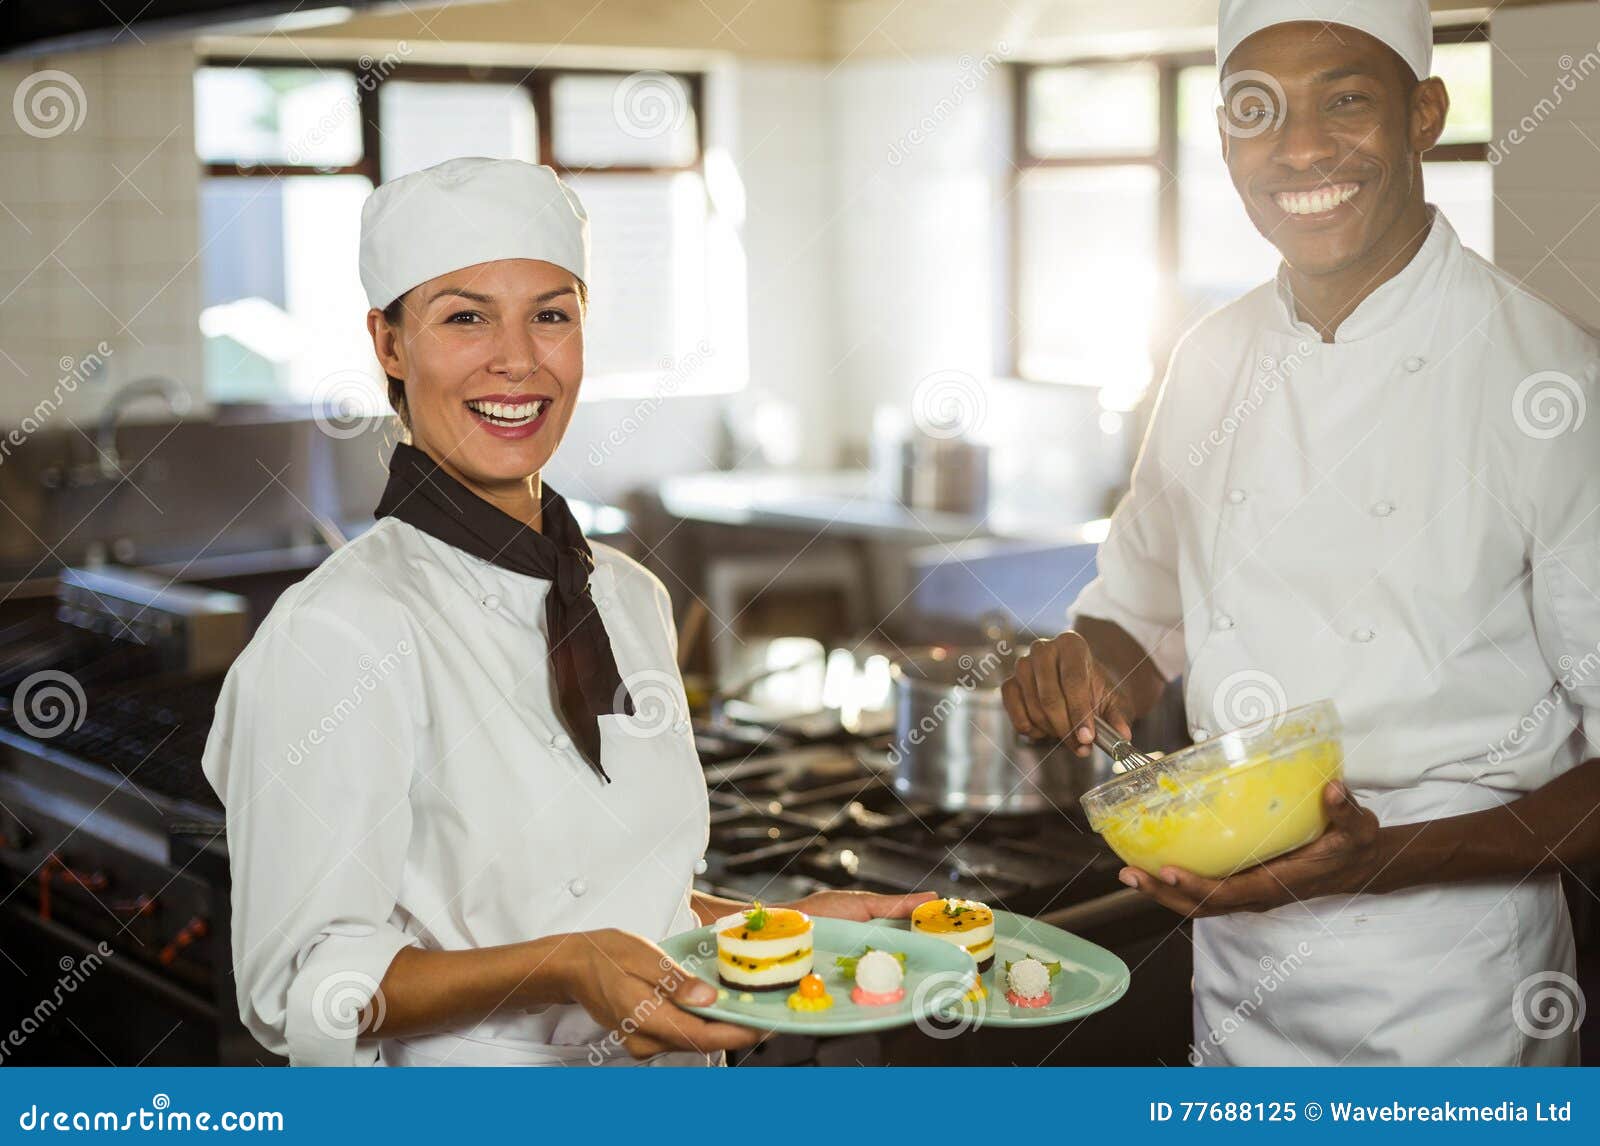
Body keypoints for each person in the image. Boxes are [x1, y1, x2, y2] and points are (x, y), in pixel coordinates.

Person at [203, 157, 931, 1067]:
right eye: (465, 317)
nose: (518, 358)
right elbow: (306, 984)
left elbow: (614, 905)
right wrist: (560, 968)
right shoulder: (341, 629)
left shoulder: (627, 596)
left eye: (552, 314)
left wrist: (780, 928)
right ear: (389, 346)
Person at [1003, 0, 1600, 1065]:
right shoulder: (1209, 359)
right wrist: (1077, 669)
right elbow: (1134, 623)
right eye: (1254, 110)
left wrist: (1381, 860)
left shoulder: (1547, 378)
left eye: (1346, 100)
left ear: (1425, 114)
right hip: (1237, 982)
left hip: (1454, 993)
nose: (1300, 149)